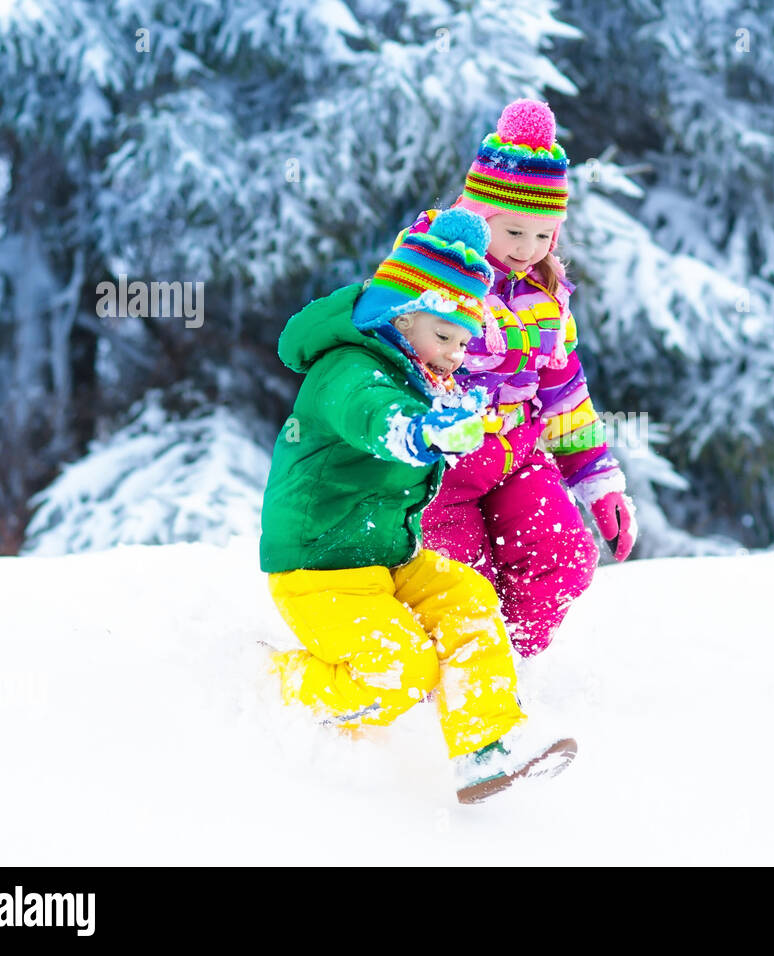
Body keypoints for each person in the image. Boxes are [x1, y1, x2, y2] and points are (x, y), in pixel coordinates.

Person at [258, 208, 576, 803]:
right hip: (317, 567)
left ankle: (485, 747)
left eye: (463, 341)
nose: (457, 354)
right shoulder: (348, 368)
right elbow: (372, 416)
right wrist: (421, 431)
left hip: (389, 557)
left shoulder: (422, 372)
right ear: (401, 317)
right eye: (446, 336)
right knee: (404, 670)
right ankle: (281, 683)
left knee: (470, 600)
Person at [394, 99, 638, 659]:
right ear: (476, 215)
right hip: (440, 469)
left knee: (565, 554)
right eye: (514, 232)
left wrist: (598, 482)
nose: (528, 251)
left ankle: (506, 665)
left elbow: (565, 398)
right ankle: (445, 678)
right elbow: (387, 349)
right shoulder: (432, 280)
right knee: (458, 579)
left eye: (544, 236)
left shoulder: (546, 301)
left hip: (514, 457)